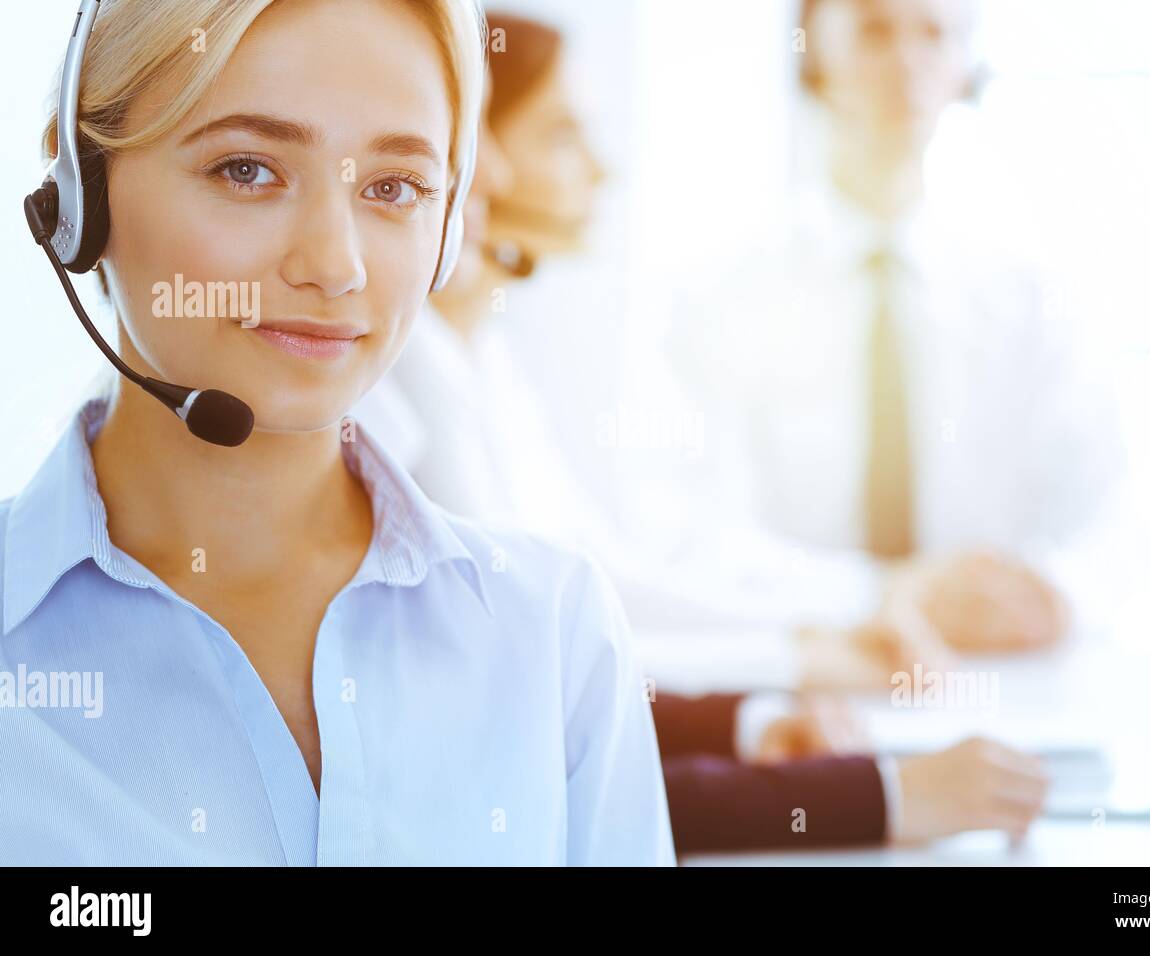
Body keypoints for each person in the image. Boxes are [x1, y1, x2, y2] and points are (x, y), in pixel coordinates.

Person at [354, 11, 1049, 852]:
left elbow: (597, 605)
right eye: (563, 136)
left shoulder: (485, 361)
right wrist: (843, 755)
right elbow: (541, 711)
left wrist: (786, 676)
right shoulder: (404, 388)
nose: (603, 172)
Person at [0, 0, 673, 866]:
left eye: (393, 188)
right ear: (78, 189)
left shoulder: (554, 634)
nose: (335, 264)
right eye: (246, 170)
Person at [665, 0, 1126, 651]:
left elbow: (1109, 520)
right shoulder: (719, 298)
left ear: (967, 63)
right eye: (874, 31)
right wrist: (885, 596)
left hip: (1004, 684)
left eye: (935, 34)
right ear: (812, 53)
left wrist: (1051, 597)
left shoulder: (1028, 300)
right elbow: (694, 539)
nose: (908, 63)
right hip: (804, 694)